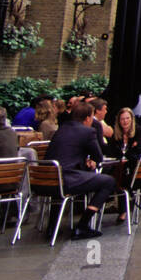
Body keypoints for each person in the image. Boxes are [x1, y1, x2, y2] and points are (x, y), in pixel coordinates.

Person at [46, 101, 113, 238]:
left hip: (47, 180)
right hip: (67, 180)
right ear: (88, 118)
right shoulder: (88, 131)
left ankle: (52, 227)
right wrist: (90, 160)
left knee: (61, 185)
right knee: (108, 182)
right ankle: (82, 225)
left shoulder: (62, 128)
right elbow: (99, 157)